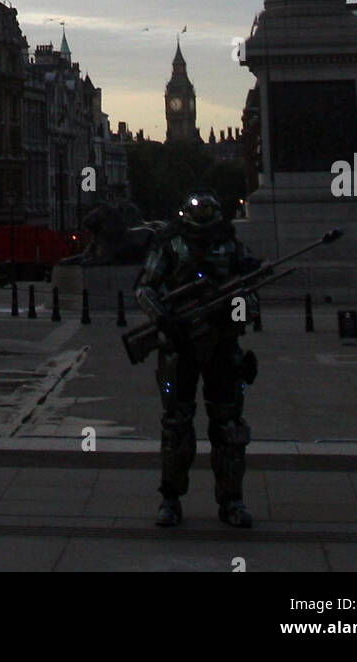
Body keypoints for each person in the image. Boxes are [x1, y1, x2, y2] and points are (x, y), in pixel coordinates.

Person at [134, 192, 260, 528]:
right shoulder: (170, 245)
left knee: (230, 427)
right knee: (175, 425)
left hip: (222, 346)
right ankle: (171, 498)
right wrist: (166, 320)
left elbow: (251, 294)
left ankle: (232, 499)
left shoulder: (232, 246)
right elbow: (145, 288)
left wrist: (233, 312)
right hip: (179, 346)